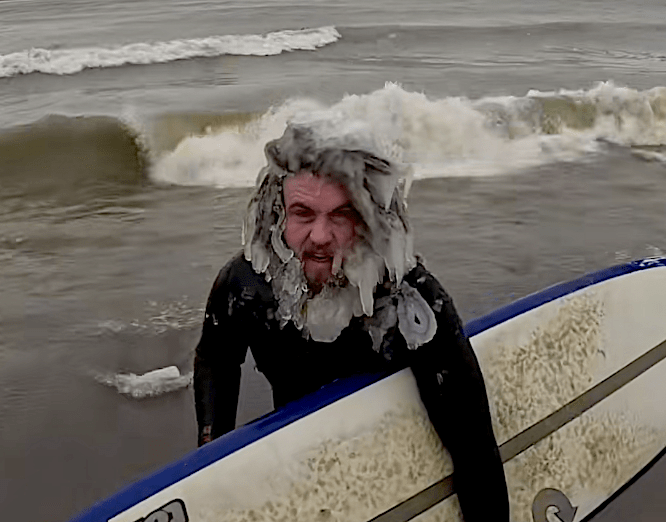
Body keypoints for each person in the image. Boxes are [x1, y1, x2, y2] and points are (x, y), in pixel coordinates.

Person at [193, 114, 509, 521]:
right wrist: (212, 458)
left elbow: (474, 448)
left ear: (369, 219)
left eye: (341, 215)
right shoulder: (246, 287)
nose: (321, 236)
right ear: (277, 213)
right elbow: (216, 358)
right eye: (303, 213)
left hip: (392, 463)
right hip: (301, 460)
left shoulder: (410, 305)